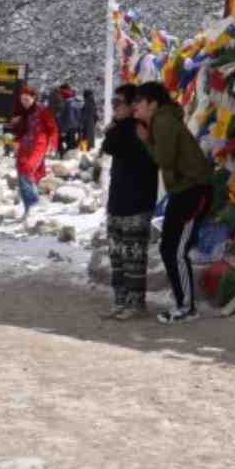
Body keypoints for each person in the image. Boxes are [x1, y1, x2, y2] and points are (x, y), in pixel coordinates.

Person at [132, 82, 212, 324]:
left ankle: (187, 307)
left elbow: (165, 159)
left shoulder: (163, 122)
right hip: (183, 189)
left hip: (193, 189)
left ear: (153, 104)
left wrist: (145, 140)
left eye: (139, 101)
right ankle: (183, 303)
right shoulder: (161, 120)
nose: (135, 106)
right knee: (170, 248)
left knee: (175, 250)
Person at [99, 84, 158, 319]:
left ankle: (136, 302)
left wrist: (113, 128)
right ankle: (120, 299)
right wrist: (113, 127)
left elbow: (116, 147)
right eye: (113, 103)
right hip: (118, 199)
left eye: (118, 103)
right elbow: (108, 147)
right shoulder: (119, 127)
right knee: (117, 253)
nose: (114, 107)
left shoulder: (140, 129)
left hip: (137, 200)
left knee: (133, 254)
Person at [10, 86, 58, 222]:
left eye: (27, 99)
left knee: (28, 170)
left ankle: (34, 203)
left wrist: (52, 145)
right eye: (22, 100)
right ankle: (28, 209)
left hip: (39, 145)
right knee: (21, 175)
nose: (24, 102)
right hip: (24, 146)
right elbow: (18, 132)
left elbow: (53, 129)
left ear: (34, 98)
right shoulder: (21, 113)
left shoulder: (43, 111)